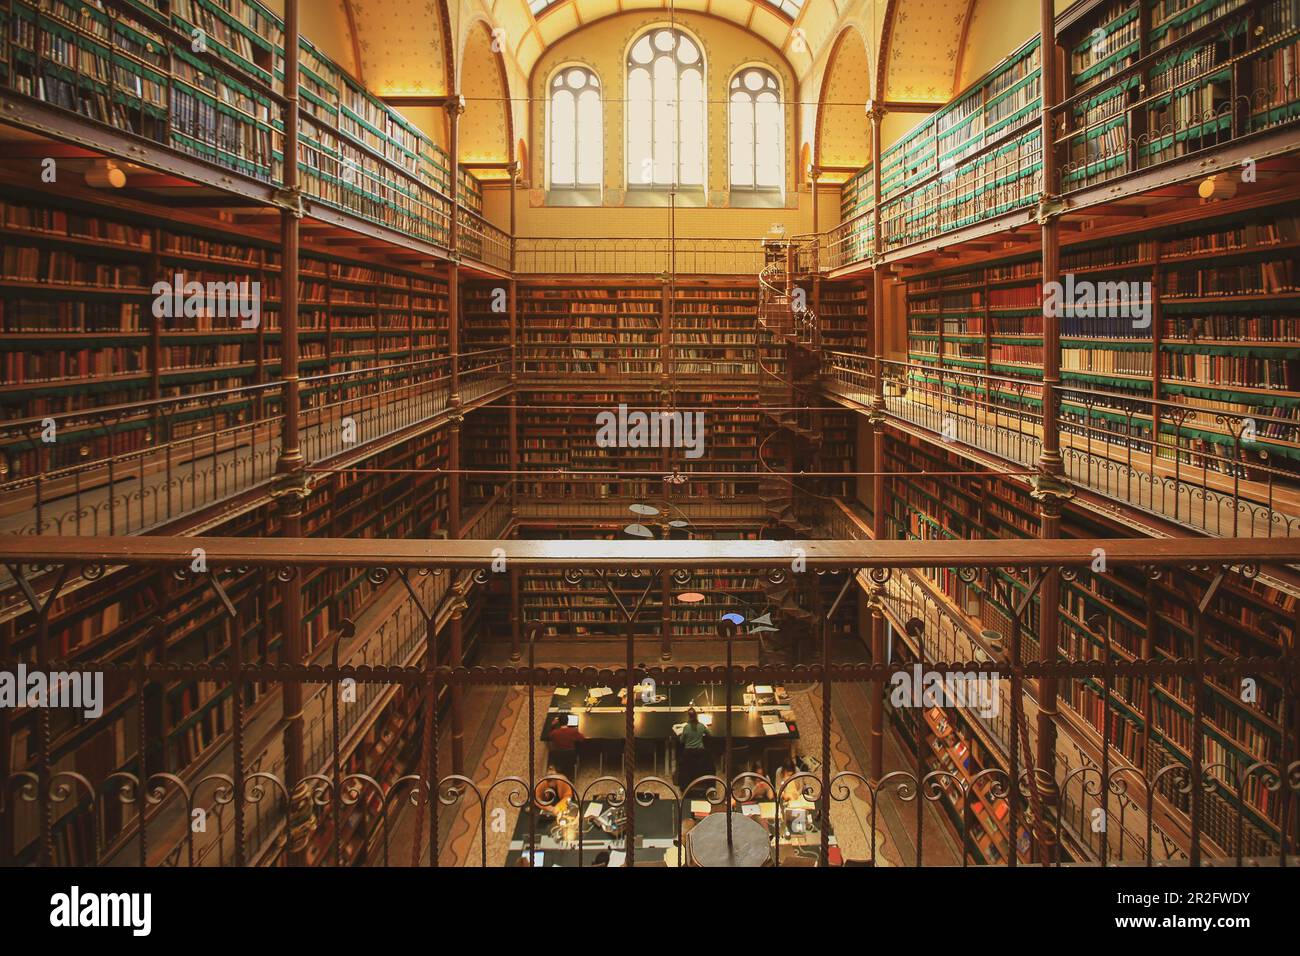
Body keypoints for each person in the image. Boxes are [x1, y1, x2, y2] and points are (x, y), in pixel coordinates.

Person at [678, 707, 712, 792]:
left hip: (688, 753)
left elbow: (681, 741)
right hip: (700, 753)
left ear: (689, 717)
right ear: (696, 716)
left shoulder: (686, 727)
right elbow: (710, 735)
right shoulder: (701, 726)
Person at [547, 715, 586, 780]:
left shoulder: (554, 733)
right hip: (571, 758)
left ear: (559, 722)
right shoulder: (573, 731)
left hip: (558, 759)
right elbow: (582, 738)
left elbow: (549, 735)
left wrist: (552, 725)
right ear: (568, 722)